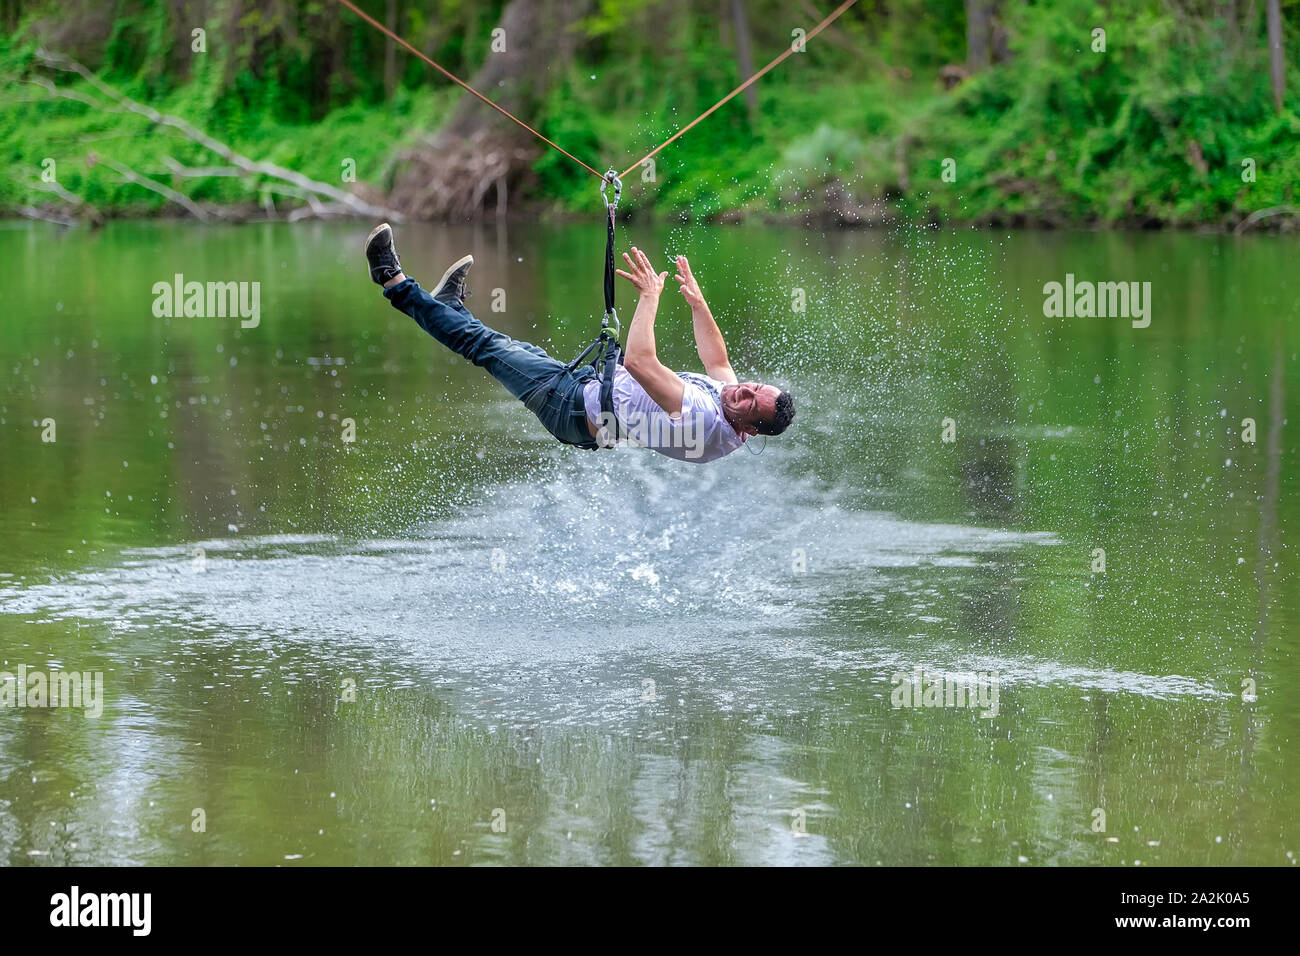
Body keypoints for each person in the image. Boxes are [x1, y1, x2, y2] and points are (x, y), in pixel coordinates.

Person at [365, 223, 794, 462]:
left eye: (751, 402)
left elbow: (643, 362)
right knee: (495, 343)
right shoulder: (733, 404)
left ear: (750, 430)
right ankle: (447, 305)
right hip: (587, 390)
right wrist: (699, 305)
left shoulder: (704, 419)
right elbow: (717, 360)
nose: (744, 391)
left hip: (570, 408)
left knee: (485, 348)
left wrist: (650, 297)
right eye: (755, 387)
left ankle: (392, 280)